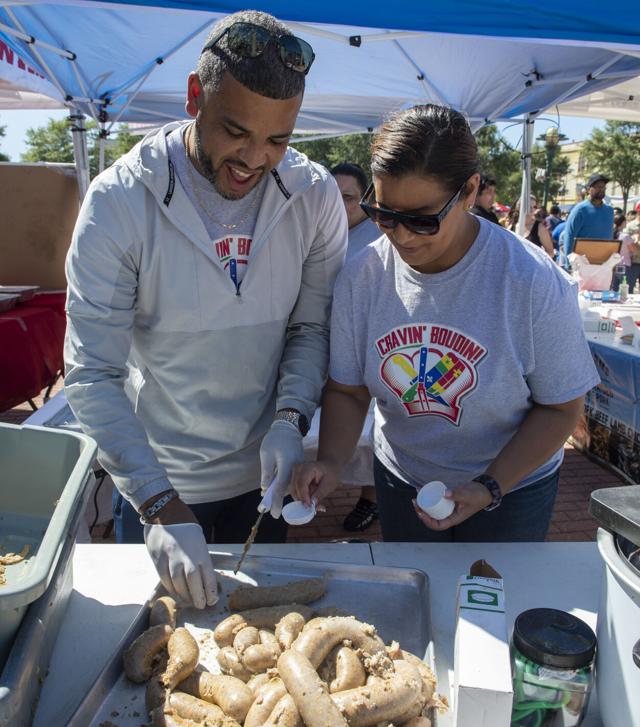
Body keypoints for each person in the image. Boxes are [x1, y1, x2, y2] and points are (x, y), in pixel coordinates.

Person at [64, 10, 347, 608]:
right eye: (236, 131)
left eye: (279, 140)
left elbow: (310, 326)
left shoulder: (315, 193)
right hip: (156, 477)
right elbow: (91, 372)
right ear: (195, 96)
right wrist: (159, 504)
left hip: (264, 476)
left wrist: (291, 419)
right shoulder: (118, 202)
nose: (254, 159)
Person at [292, 104, 599, 543]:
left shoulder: (531, 281)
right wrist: (332, 461)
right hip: (402, 476)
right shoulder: (362, 278)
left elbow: (562, 409)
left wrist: (490, 485)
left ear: (470, 190)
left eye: (422, 219)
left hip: (513, 487)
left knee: (494, 598)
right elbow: (347, 388)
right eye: (384, 214)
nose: (400, 235)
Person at [330, 162, 380, 531]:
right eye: (331, 196)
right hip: (326, 347)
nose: (339, 204)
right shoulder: (322, 232)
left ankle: (371, 499)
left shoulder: (380, 241)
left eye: (347, 197)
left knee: (372, 434)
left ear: (366, 200)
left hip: (367, 353)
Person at [563, 174, 614, 268]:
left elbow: (610, 237)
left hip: (603, 265)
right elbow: (569, 236)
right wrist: (568, 264)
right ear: (588, 189)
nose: (602, 189)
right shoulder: (580, 210)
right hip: (582, 264)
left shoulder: (610, 211)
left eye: (604, 187)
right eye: (598, 187)